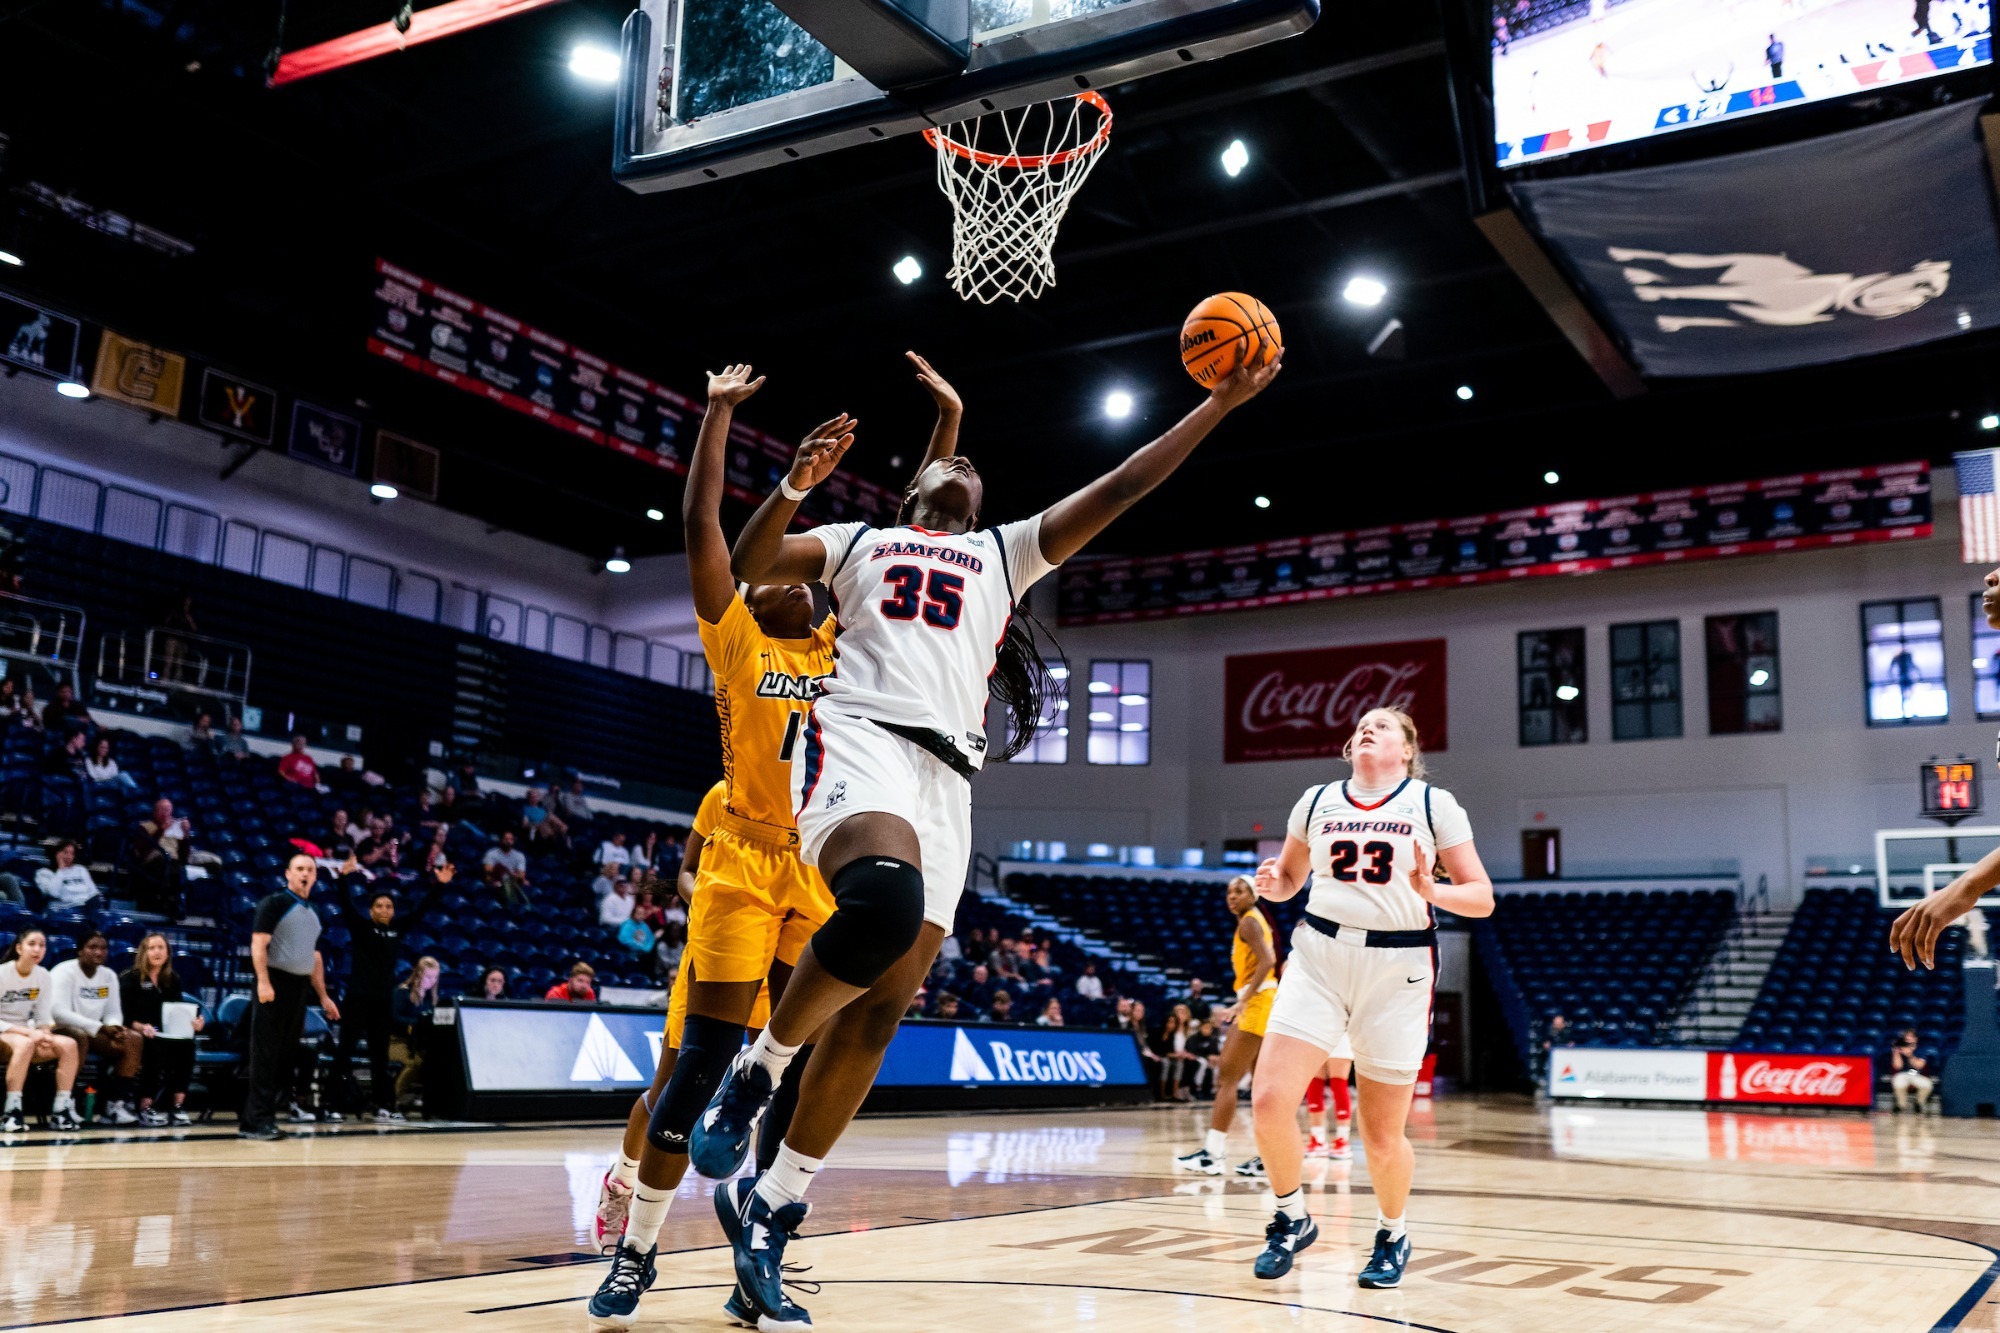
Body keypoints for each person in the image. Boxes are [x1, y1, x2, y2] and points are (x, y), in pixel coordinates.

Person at [690, 345, 1282, 1328]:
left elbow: (1127, 482)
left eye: (972, 465)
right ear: (916, 484)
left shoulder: (1005, 552)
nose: (965, 470)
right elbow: (752, 562)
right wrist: (795, 483)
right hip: (862, 746)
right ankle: (757, 1071)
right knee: (882, 901)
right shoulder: (855, 542)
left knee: (877, 1017)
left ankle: (771, 1211)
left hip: (949, 782)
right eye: (948, 464)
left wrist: (1217, 402)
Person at [595, 357, 914, 1331]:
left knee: (776, 1091)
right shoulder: (737, 636)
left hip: (817, 863)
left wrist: (943, 432)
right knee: (693, 1073)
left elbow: (913, 547)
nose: (799, 587)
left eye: (809, 583)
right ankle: (636, 1249)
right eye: (779, 576)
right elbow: (704, 534)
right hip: (739, 860)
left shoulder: (842, 650)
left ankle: (754, 1265)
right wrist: (720, 420)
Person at [1245, 706, 1493, 1287]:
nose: (1365, 729)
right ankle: (1290, 1215)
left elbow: (1481, 897)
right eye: (1360, 725)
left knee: (1380, 1134)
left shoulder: (1434, 805)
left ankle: (1392, 1231)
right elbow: (1289, 880)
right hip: (1320, 954)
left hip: (1399, 965)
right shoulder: (1315, 799)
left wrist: (1437, 890)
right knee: (1269, 1100)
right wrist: (1273, 884)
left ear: (1406, 749)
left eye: (1380, 725)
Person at [1178, 876, 1279, 1179]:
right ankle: (1268, 1158)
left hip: (1258, 1002)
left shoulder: (1248, 922)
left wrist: (1242, 1001)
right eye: (1229, 892)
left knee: (1227, 1076)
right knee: (1262, 1085)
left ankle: (1213, 1155)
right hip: (1266, 1001)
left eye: (1239, 891)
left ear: (1254, 895)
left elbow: (1268, 960)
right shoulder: (1253, 920)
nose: (1232, 897)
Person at [241, 853, 341, 1140]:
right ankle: (259, 1120)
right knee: (265, 1055)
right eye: (299, 868)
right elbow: (258, 945)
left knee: (284, 1056)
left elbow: (315, 957)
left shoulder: (314, 910)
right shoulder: (274, 903)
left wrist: (323, 996)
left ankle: (255, 1119)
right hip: (274, 983)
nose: (304, 873)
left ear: (316, 875)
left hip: (299, 989)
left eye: (310, 869)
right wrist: (263, 982)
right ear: (288, 874)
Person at [334, 874, 441, 1121]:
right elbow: (346, 904)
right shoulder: (361, 927)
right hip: (357, 998)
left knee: (379, 1056)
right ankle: (333, 1104)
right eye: (379, 906)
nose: (384, 910)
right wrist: (342, 879)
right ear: (371, 910)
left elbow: (420, 910)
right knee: (344, 1052)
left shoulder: (397, 929)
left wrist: (440, 885)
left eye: (389, 906)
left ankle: (383, 1104)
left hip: (382, 1001)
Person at [50, 929, 145, 1124]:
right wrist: (100, 1027)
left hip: (94, 1031)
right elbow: (58, 1012)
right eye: (92, 947)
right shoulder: (63, 971)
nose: (98, 952)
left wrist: (114, 1027)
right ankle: (68, 1101)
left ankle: (114, 1106)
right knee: (78, 1037)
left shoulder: (108, 975)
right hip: (61, 1028)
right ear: (80, 950)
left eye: (103, 948)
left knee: (132, 1038)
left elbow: (113, 1011)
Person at [0, 929, 83, 1131]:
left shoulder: (44, 976)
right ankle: (11, 1112)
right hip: (6, 1032)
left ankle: (61, 1111)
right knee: (25, 1043)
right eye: (32, 944)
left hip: (25, 1034)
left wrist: (45, 1033)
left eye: (42, 945)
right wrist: (29, 1033)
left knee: (69, 1044)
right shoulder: (2, 973)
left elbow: (42, 1017)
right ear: (19, 948)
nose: (37, 949)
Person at [120, 933, 203, 1126]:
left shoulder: (172, 980)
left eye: (161, 948)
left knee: (187, 1046)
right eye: (152, 948)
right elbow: (123, 1014)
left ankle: (177, 1105)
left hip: (165, 1031)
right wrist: (140, 1026)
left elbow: (178, 1010)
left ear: (167, 953)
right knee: (155, 1048)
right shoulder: (130, 978)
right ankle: (145, 1105)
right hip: (140, 1032)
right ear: (144, 952)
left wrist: (195, 1022)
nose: (156, 952)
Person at [390, 956, 441, 1113]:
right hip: (396, 1041)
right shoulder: (401, 993)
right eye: (427, 976)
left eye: (434, 977)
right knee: (414, 1063)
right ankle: (393, 1100)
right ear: (418, 974)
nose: (431, 981)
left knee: (432, 1062)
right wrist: (417, 1021)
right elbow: (394, 1018)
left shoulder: (430, 998)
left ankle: (425, 1101)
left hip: (418, 1042)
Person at [129, 798, 194, 915]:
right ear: (155, 812)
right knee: (164, 861)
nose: (165, 813)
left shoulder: (176, 828)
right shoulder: (144, 826)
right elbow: (143, 851)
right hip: (151, 860)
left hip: (173, 862)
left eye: (168, 810)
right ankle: (169, 899)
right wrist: (161, 830)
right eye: (162, 810)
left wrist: (185, 835)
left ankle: (177, 901)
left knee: (180, 867)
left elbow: (184, 857)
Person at [34, 840, 101, 912]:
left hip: (86, 908)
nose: (69, 856)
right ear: (57, 853)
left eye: (72, 853)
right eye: (65, 852)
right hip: (63, 909)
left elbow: (93, 892)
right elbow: (53, 894)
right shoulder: (43, 873)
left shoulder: (80, 869)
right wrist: (61, 869)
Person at [481, 830, 532, 907]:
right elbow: (488, 870)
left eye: (511, 839)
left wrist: (509, 874)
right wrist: (508, 873)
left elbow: (521, 876)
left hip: (512, 882)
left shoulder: (519, 856)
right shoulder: (491, 853)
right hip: (495, 881)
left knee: (524, 884)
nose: (508, 841)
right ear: (501, 840)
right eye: (506, 839)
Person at [1889, 1028, 1935, 1112]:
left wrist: (1910, 1055)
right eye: (1906, 1037)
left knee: (1928, 1085)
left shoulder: (1922, 1049)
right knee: (1898, 1081)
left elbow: (1920, 1065)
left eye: (1911, 1037)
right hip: (1903, 1074)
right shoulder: (1900, 1049)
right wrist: (1896, 1052)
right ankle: (1901, 1105)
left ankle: (1919, 1103)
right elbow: (1897, 1066)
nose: (1908, 1039)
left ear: (1916, 1039)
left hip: (1917, 1075)